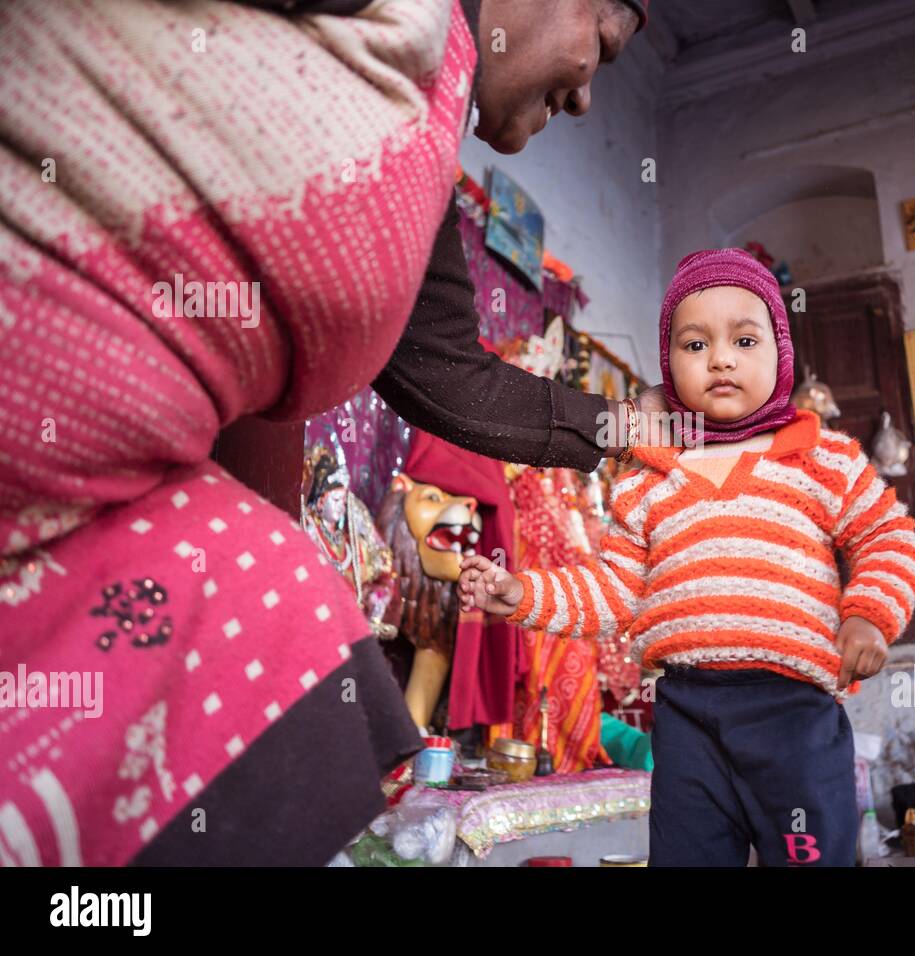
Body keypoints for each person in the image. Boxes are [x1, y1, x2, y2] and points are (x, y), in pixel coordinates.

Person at [0, 0, 652, 866]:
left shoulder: (423, 142)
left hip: (98, 508)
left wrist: (646, 429)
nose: (586, 102)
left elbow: (453, 380)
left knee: (309, 695)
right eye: (602, 46)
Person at [458, 248, 915, 866]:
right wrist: (523, 595)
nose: (722, 358)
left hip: (794, 715)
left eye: (745, 339)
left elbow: (888, 535)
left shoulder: (823, 457)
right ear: (668, 363)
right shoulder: (648, 478)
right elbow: (615, 593)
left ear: (781, 353)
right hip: (685, 717)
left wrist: (868, 614)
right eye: (695, 344)